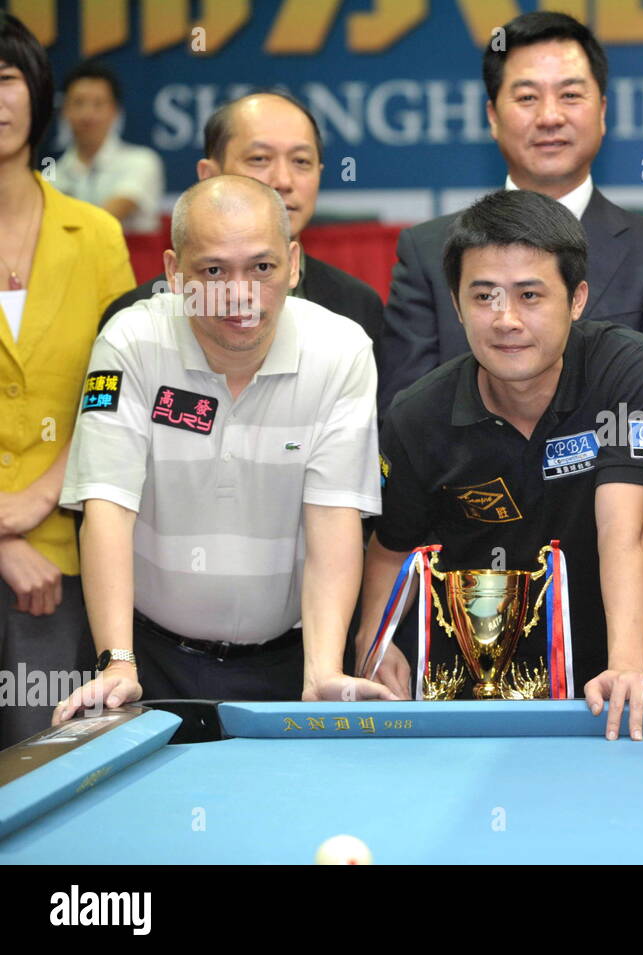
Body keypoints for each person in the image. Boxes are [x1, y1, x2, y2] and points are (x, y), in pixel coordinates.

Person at [52, 175, 394, 723]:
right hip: (147, 663)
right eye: (213, 271)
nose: (240, 294)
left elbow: (334, 517)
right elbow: (108, 507)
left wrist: (324, 670)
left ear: (294, 262)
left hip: (289, 662)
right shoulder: (129, 342)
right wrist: (118, 661)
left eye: (262, 268)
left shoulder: (341, 350)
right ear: (172, 273)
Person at [356, 189, 643, 741]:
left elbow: (622, 530)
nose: (506, 320)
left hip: (609, 679)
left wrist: (628, 664)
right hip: (473, 692)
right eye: (484, 297)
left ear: (577, 299)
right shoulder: (418, 415)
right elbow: (391, 551)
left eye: (530, 295)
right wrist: (374, 642)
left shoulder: (624, 366)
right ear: (456, 306)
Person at [378, 10, 643, 414]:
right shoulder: (427, 251)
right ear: (493, 117)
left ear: (602, 112)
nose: (550, 117)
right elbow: (405, 415)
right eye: (527, 97)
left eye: (570, 95)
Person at [0, 14, 136, 746]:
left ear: (36, 92)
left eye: (5, 79)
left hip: (63, 563)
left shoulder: (97, 235)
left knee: (45, 770)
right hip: (16, 547)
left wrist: (38, 497)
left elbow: (113, 390)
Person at [100, 90, 383, 344]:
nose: (283, 180)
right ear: (208, 176)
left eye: (301, 162)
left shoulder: (357, 306)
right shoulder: (133, 320)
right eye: (260, 159)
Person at [51, 59, 164, 234]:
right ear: (64, 110)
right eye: (78, 103)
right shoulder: (53, 174)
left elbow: (108, 217)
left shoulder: (142, 161)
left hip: (131, 259)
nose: (87, 114)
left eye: (98, 104)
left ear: (115, 111)